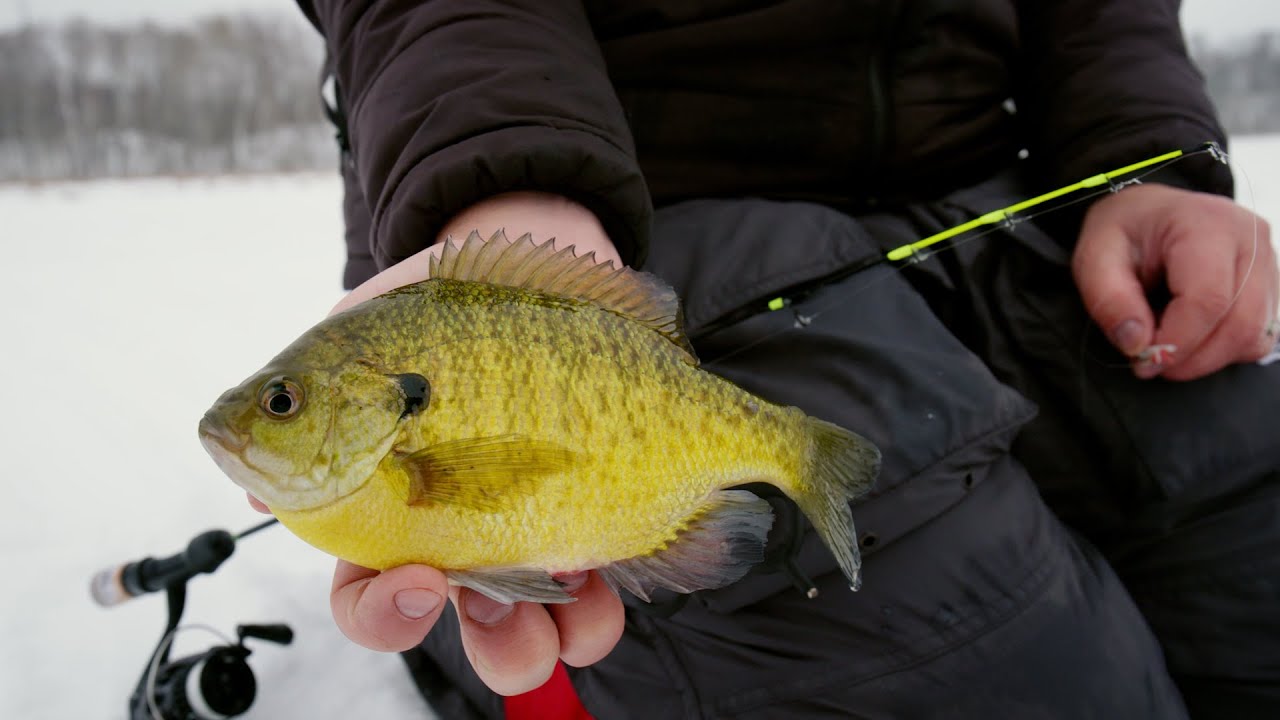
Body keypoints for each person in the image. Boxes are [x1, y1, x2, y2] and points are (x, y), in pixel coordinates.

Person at [287, 1, 1280, 717]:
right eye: (283, 406)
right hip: (648, 227)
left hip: (1006, 210)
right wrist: (510, 181)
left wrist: (1140, 154)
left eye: (283, 406)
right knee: (1024, 671)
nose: (271, 418)